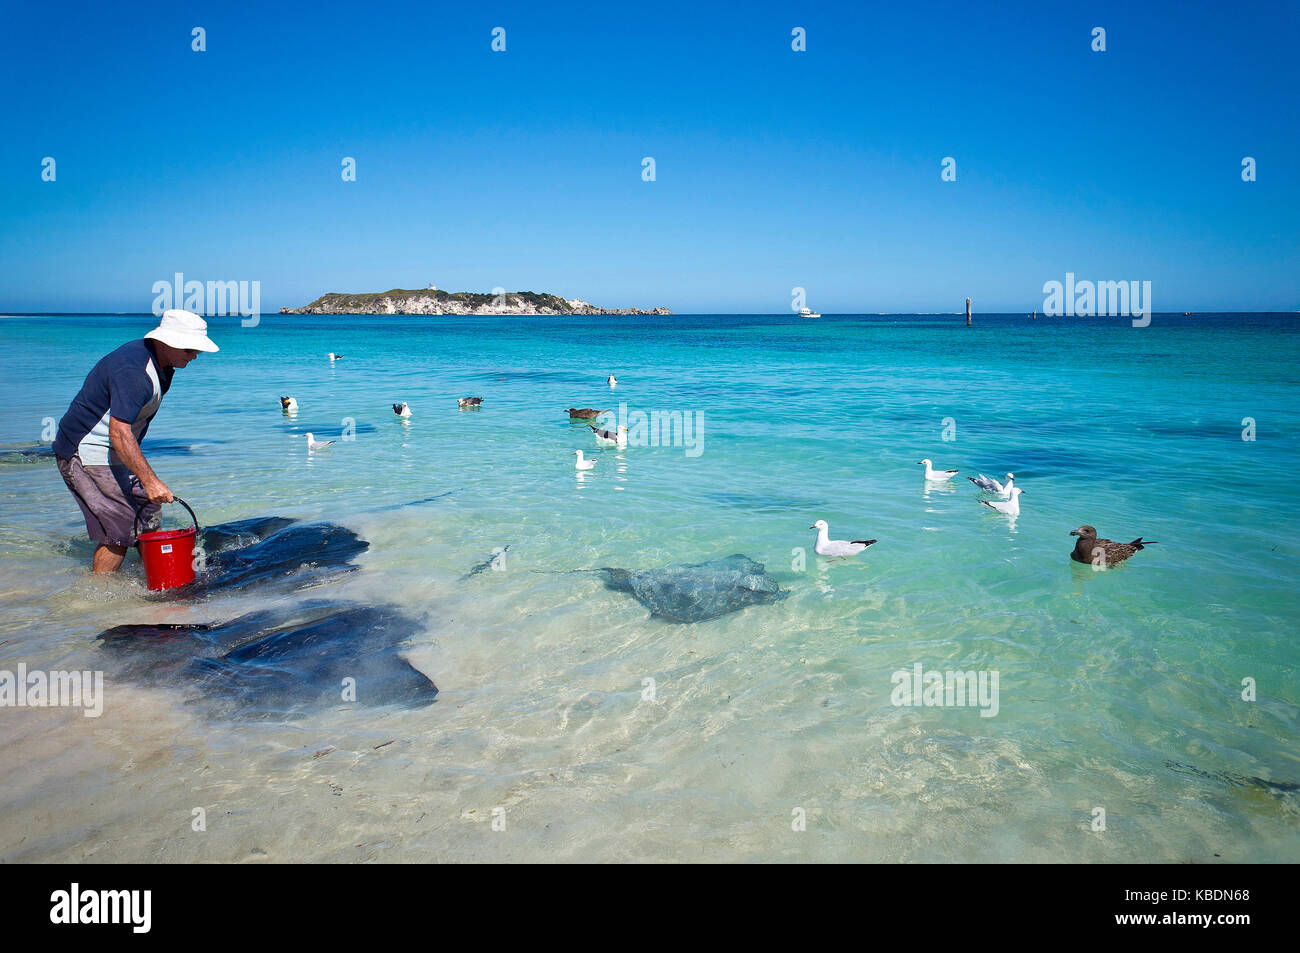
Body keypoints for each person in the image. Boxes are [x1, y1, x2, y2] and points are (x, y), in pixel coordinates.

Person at [53, 309, 218, 572]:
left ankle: (158, 578)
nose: (194, 356)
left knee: (148, 512)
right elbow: (119, 431)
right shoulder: (135, 371)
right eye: (188, 349)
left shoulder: (162, 364)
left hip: (114, 450)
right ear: (166, 342)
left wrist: (148, 486)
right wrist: (151, 481)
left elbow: (124, 432)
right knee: (118, 527)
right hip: (84, 451)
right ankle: (99, 600)